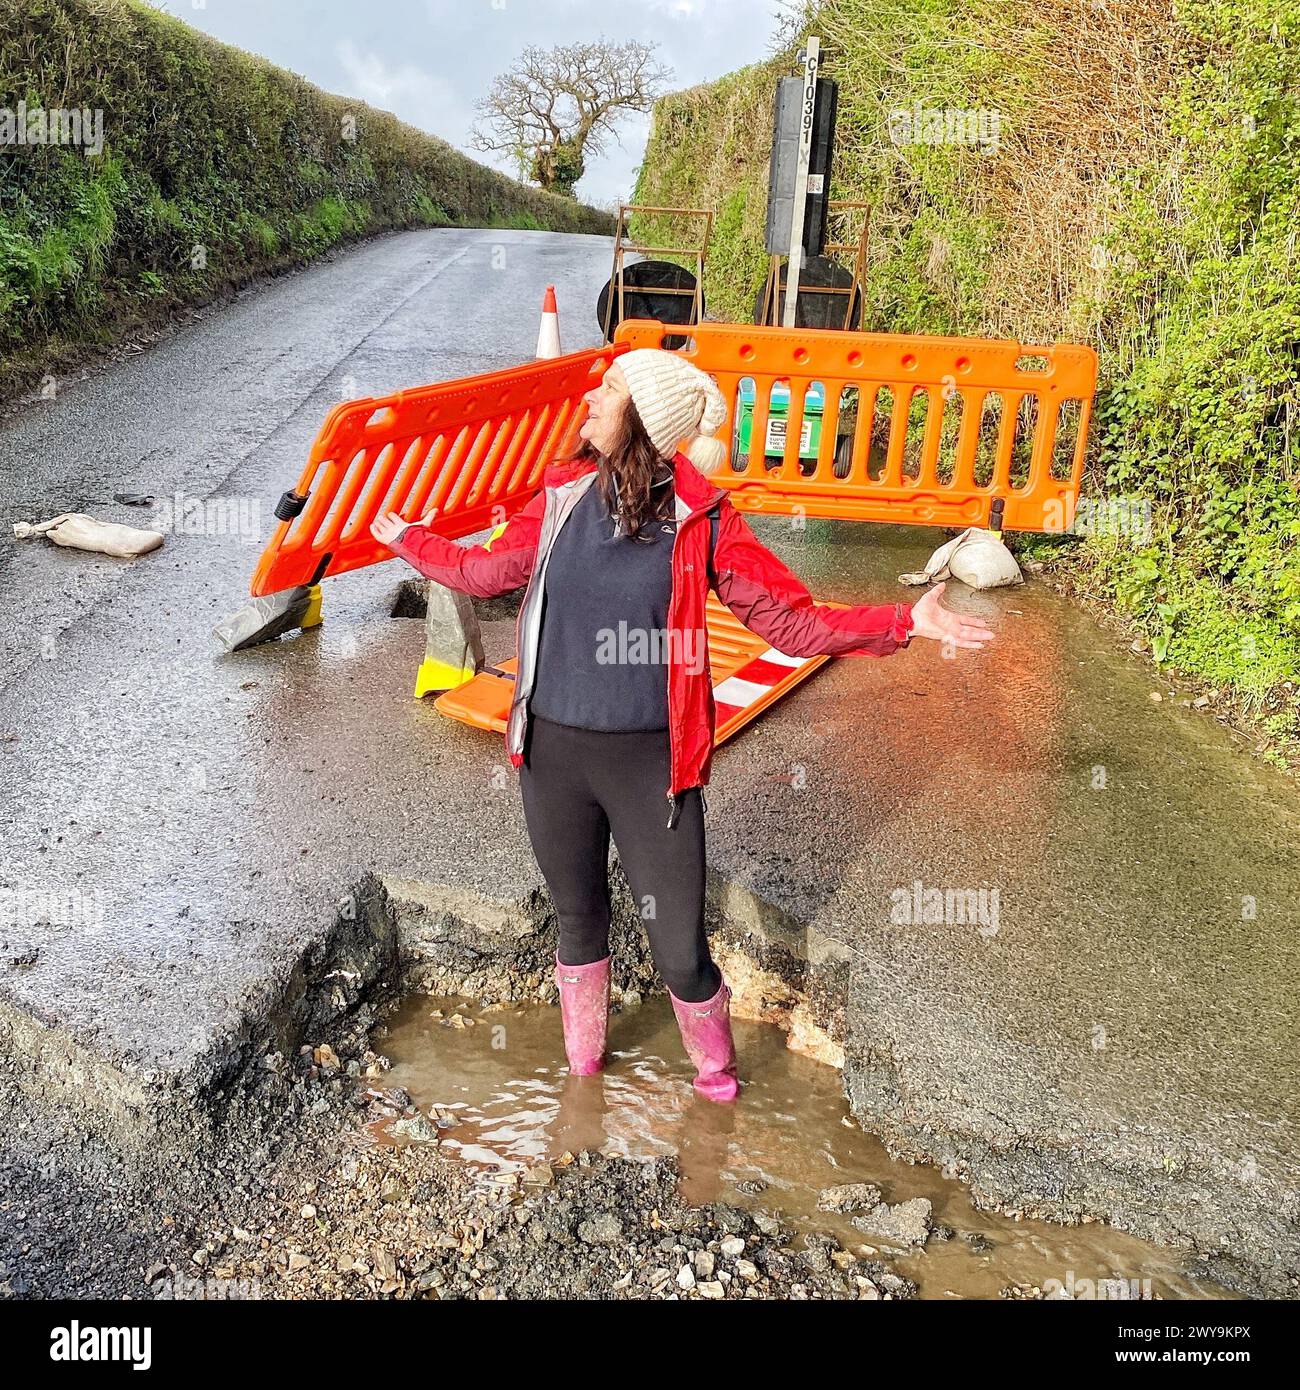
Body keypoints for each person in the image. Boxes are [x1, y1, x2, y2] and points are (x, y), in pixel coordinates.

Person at [371, 349, 993, 1102]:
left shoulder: (703, 519)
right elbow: (488, 573)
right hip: (551, 759)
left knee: (679, 951)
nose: (591, 399)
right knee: (577, 921)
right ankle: (583, 1083)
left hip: (649, 772)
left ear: (643, 418)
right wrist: (406, 537)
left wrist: (900, 620)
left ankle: (715, 1088)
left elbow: (789, 623)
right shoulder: (563, 495)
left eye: (608, 390)